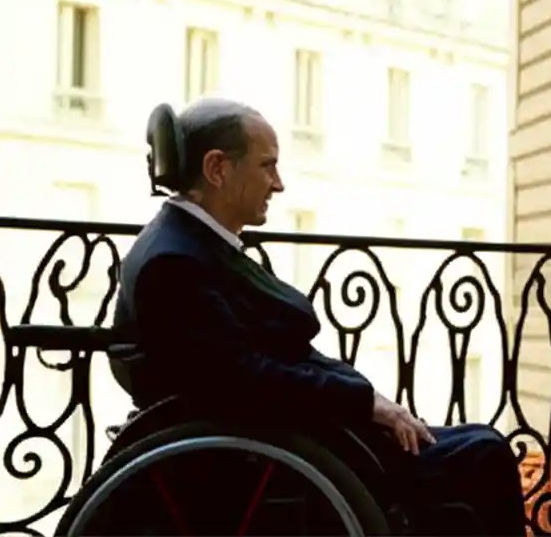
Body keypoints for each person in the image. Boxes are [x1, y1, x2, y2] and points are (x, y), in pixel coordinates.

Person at [110, 97, 526, 535]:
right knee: (484, 454)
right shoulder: (176, 262)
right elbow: (242, 380)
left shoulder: (186, 244)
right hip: (279, 456)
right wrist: (364, 403)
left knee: (477, 444)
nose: (278, 184)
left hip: (297, 439)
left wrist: (370, 403)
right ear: (217, 169)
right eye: (267, 166)